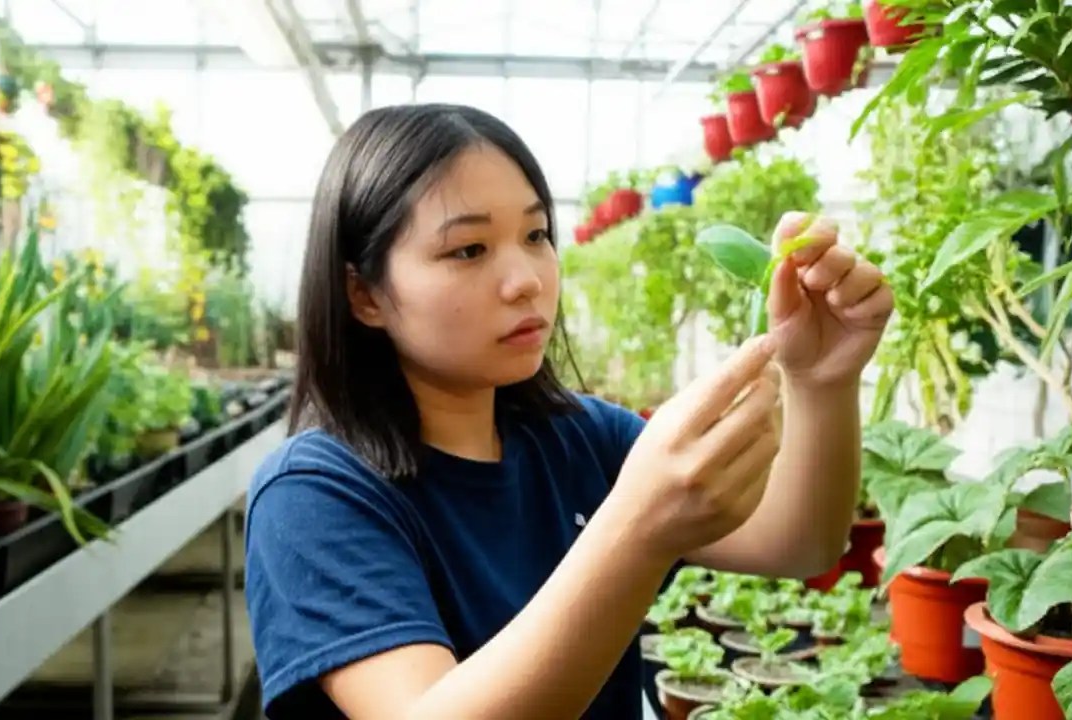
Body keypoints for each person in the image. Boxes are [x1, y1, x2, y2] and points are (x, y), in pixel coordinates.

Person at [243, 103, 893, 719]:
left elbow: (800, 542)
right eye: (468, 249)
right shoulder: (313, 496)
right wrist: (637, 527)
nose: (527, 277)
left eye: (536, 234)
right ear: (364, 295)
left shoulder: (582, 437)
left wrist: (820, 381)